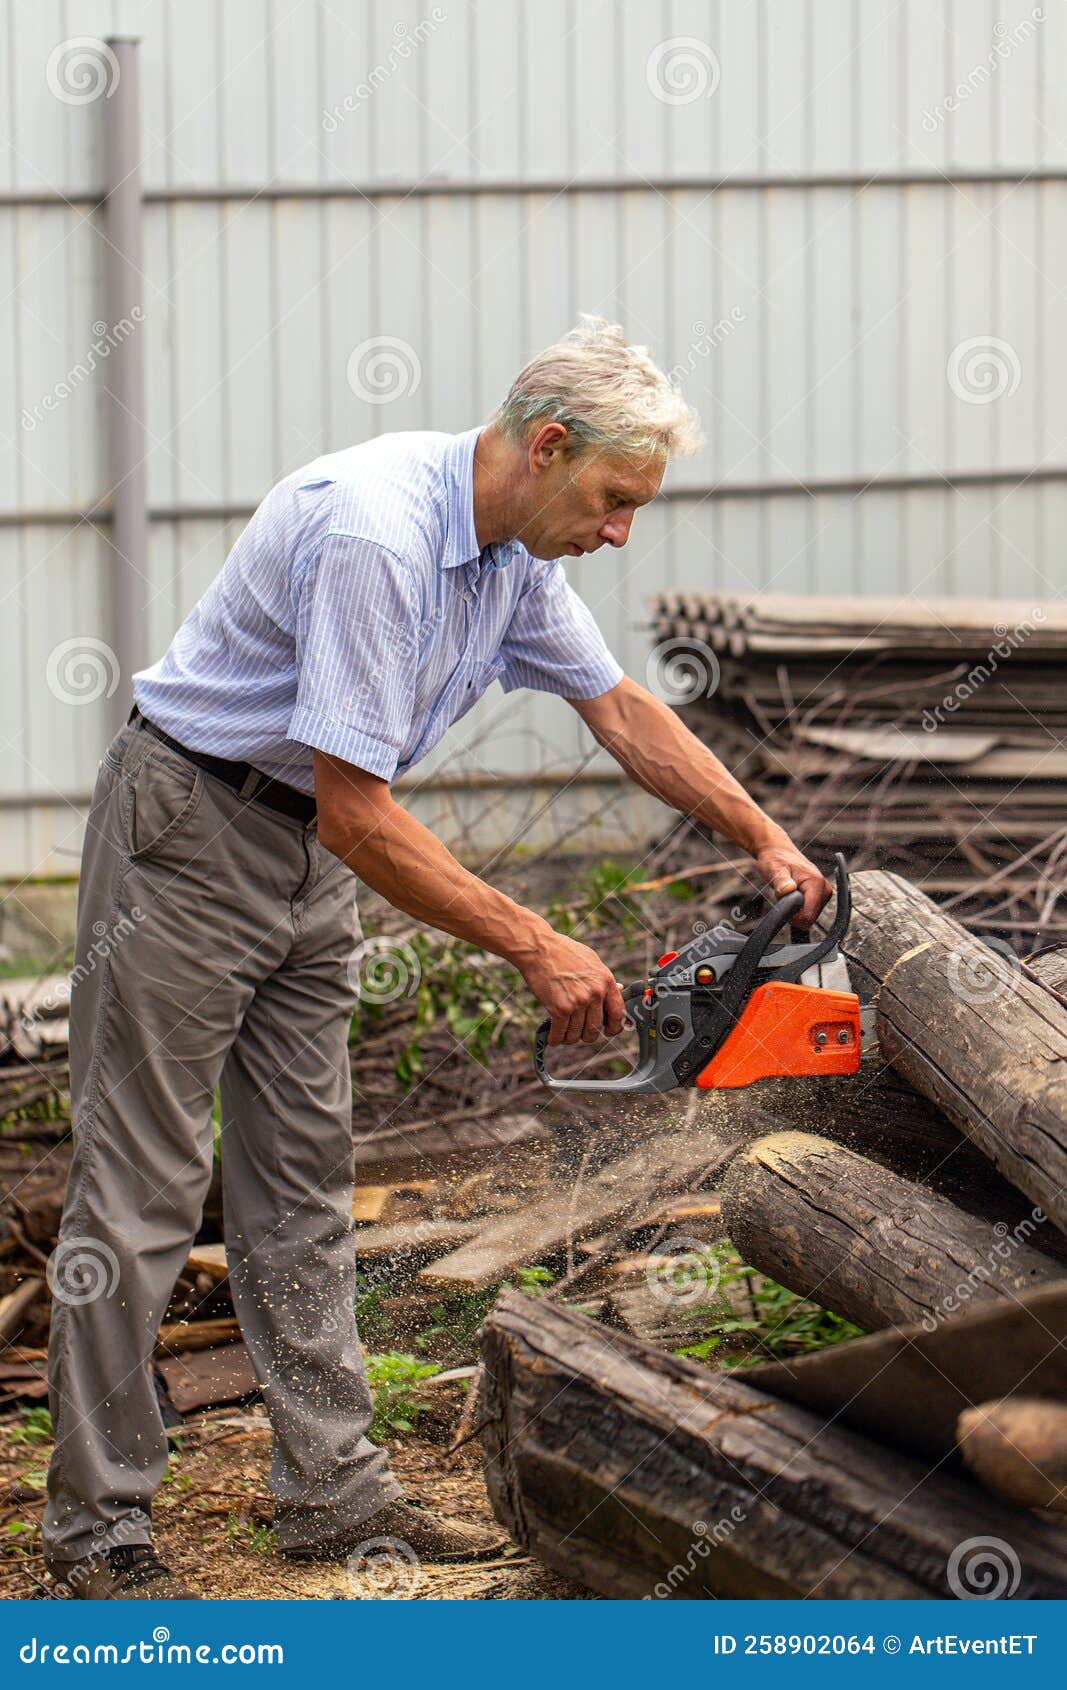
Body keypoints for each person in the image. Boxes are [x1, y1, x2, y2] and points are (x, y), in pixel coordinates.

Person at [43, 316, 831, 1598]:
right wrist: (534, 942)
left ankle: (332, 1497)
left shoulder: (512, 554)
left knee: (300, 1180)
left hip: (306, 850)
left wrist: (760, 833)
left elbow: (618, 708)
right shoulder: (377, 532)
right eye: (614, 500)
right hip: (191, 832)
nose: (621, 531)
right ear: (547, 445)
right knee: (142, 1185)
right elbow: (364, 811)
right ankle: (97, 1535)